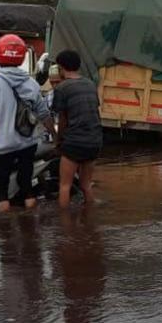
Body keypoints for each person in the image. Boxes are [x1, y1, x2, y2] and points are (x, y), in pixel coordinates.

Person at [0, 34, 56, 212]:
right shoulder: (31, 83)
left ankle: (5, 226)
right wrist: (55, 136)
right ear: (22, 56)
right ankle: (30, 223)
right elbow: (43, 114)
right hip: (29, 143)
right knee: (27, 187)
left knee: (2, 191)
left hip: (5, 145)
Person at [50, 50, 102, 206]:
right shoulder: (90, 84)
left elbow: (63, 120)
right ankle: (90, 216)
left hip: (74, 143)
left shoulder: (62, 88)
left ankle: (64, 220)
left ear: (61, 67)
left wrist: (58, 141)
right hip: (94, 141)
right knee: (86, 185)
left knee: (64, 186)